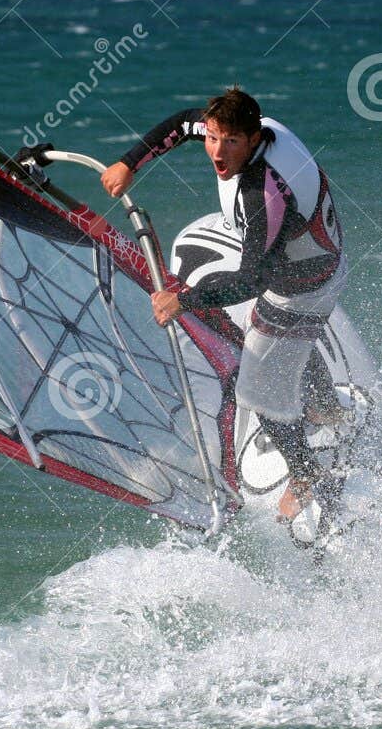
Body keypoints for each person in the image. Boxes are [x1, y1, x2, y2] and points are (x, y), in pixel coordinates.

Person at [101, 87, 347, 520]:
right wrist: (129, 163)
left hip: (302, 284)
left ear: (253, 140)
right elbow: (181, 124)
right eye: (212, 137)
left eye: (230, 142)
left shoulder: (262, 195)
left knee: (255, 390)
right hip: (299, 261)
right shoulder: (245, 134)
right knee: (270, 337)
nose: (216, 150)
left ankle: (307, 475)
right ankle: (324, 405)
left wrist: (184, 300)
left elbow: (252, 280)